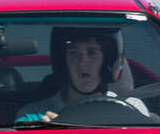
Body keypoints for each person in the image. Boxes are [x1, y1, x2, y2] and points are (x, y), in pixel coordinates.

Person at [14, 27, 151, 122]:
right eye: (74, 53)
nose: (82, 63)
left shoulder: (131, 108)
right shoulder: (32, 114)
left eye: (92, 53)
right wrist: (40, 132)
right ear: (63, 62)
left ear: (106, 62)